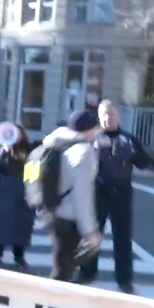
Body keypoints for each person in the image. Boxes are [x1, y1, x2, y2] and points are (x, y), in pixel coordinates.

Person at [76, 100, 152, 294]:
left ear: (118, 116)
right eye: (104, 115)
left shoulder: (128, 139)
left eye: (111, 114)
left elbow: (144, 163)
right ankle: (87, 273)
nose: (108, 118)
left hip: (122, 192)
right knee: (92, 235)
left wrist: (134, 154)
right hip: (98, 191)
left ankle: (124, 280)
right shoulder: (91, 138)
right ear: (99, 117)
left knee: (123, 238)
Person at [40, 109, 103, 283]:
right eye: (95, 127)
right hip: (68, 217)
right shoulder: (84, 153)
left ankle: (53, 302)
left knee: (61, 264)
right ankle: (52, 305)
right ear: (88, 129)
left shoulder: (56, 142)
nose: (97, 130)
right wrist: (90, 231)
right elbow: (83, 196)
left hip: (52, 211)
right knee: (63, 271)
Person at [0, 123, 34, 271]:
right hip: (4, 190)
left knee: (22, 225)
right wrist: (3, 152)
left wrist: (32, 188)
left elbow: (34, 169)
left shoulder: (29, 149)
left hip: (22, 190)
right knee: (0, 223)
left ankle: (19, 255)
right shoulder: (0, 148)